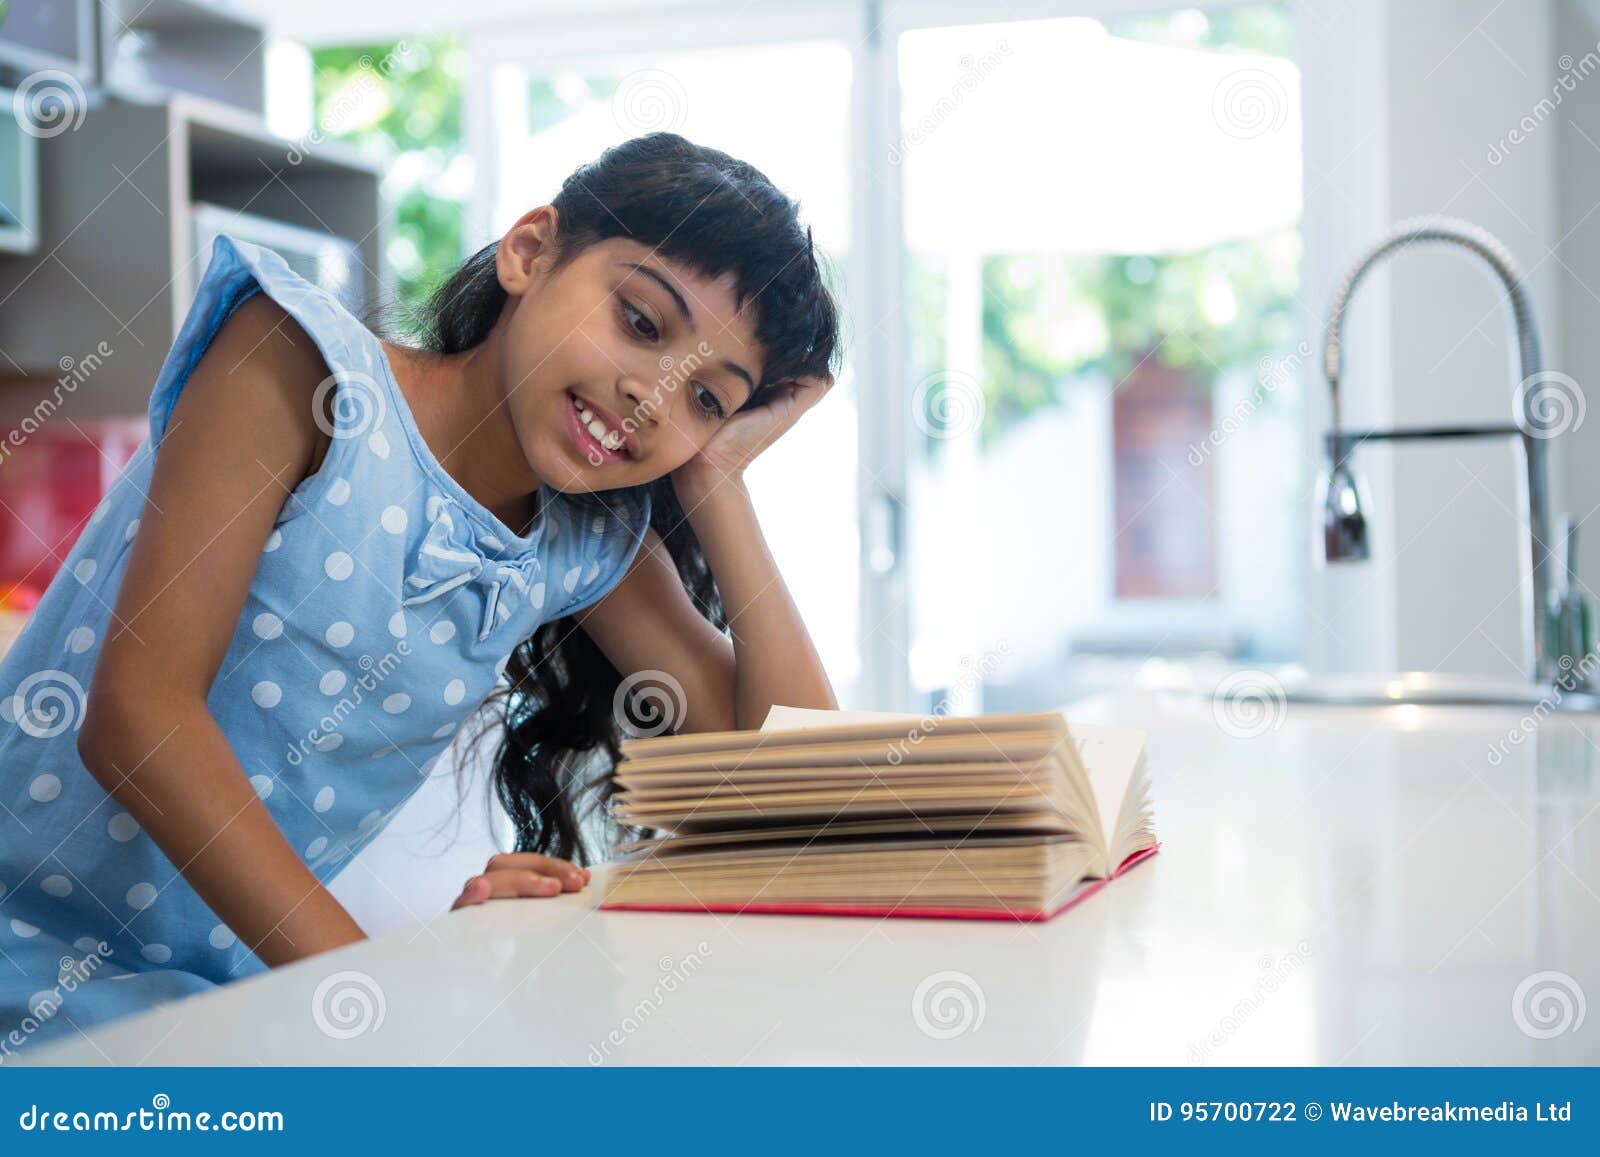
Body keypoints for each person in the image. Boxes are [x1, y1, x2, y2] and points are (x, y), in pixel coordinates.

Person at [0, 131, 840, 1057]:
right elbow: (137, 719)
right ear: (530, 253)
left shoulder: (582, 537)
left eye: (707, 399)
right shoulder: (298, 361)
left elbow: (796, 794)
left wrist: (717, 480)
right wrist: (375, 996)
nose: (651, 397)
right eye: (641, 322)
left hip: (216, 1002)